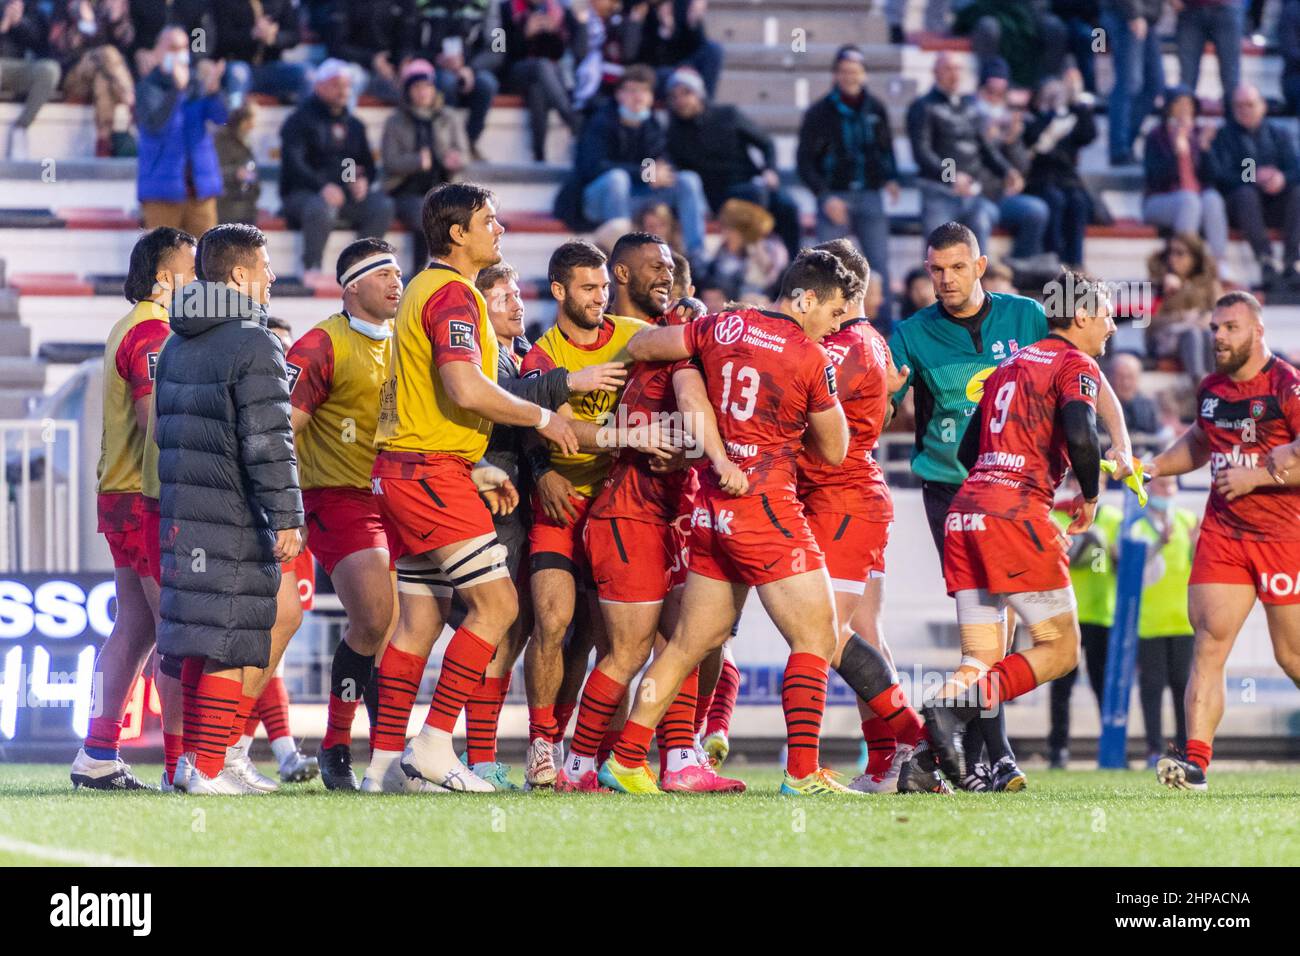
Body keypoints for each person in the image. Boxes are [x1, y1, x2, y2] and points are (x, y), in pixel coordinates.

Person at [598, 250, 859, 796]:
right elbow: (835, 450)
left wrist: (695, 371)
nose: (837, 325)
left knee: (691, 642)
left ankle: (625, 760)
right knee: (817, 634)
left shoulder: (721, 323)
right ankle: (803, 773)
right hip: (764, 504)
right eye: (834, 313)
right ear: (805, 299)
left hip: (711, 504)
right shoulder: (812, 358)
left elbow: (643, 344)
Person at [889, 223, 1135, 791]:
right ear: (1078, 318)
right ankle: (957, 725)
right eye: (1104, 313)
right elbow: (1079, 429)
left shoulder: (1008, 366)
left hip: (966, 508)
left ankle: (926, 762)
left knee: (980, 658)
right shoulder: (1071, 362)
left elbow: (971, 444)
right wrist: (1090, 494)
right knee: (1061, 648)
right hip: (1012, 512)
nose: (1112, 324)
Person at [359, 182, 579, 794]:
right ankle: (433, 747)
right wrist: (543, 417)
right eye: (489, 220)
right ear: (457, 233)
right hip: (426, 471)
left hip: (410, 467)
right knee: (500, 606)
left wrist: (472, 462)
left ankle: (381, 767)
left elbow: (420, 395)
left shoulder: (424, 290)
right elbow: (463, 386)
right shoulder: (453, 294)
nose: (499, 229)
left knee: (420, 620)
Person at [560, 233, 744, 793]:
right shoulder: (675, 353)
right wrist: (714, 454)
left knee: (688, 639)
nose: (666, 276)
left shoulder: (658, 342)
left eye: (672, 268)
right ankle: (578, 764)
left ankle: (679, 759)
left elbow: (677, 426)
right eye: (654, 266)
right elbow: (688, 408)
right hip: (629, 516)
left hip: (667, 516)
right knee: (628, 650)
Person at [153, 223, 305, 796]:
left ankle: (193, 765)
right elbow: (268, 440)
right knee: (231, 636)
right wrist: (288, 515)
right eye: (264, 267)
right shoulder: (254, 341)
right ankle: (210, 768)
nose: (271, 278)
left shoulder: (175, 340)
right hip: (233, 511)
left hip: (183, 507)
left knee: (199, 634)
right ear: (240, 276)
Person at [517, 238, 671, 787]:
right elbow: (546, 430)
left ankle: (602, 751)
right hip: (559, 507)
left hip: (618, 509)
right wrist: (547, 472)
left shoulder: (632, 338)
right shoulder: (543, 355)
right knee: (552, 623)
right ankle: (541, 742)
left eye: (605, 286)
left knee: (611, 642)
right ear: (559, 291)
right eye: (588, 288)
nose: (600, 297)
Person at [799, 239, 949, 794]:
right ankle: (894, 763)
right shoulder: (872, 343)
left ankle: (916, 743)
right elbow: (885, 407)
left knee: (827, 633)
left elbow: (805, 416)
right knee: (861, 632)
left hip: (840, 498)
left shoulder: (842, 345)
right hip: (857, 495)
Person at [1145, 291, 1300, 791]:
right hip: (1224, 532)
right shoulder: (1211, 387)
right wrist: (1154, 466)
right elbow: (1199, 440)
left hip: (1283, 534)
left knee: (1291, 655)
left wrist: (1256, 476)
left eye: (1230, 327)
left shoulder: (1287, 384)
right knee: (1209, 646)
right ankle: (1196, 764)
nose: (1219, 337)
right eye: (1214, 328)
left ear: (1258, 331)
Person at [69, 227, 195, 792]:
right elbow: (154, 421)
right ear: (166, 278)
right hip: (144, 496)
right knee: (175, 628)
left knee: (137, 626)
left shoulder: (131, 326)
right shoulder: (152, 332)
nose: (202, 281)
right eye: (194, 271)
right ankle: (180, 768)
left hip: (117, 493)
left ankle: (97, 752)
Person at [281, 239, 404, 790]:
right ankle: (336, 745)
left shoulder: (404, 342)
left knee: (392, 629)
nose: (397, 282)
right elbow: (281, 429)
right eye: (384, 274)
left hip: (396, 496)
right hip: (337, 496)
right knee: (375, 619)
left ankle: (378, 752)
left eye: (400, 272)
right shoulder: (319, 344)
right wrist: (285, 504)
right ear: (352, 286)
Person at [463, 261, 590, 789]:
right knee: (491, 629)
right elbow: (508, 416)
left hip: (515, 506)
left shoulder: (515, 358)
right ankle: (471, 757)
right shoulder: (477, 363)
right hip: (489, 504)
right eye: (503, 298)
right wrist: (567, 382)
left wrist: (540, 470)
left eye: (518, 296)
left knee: (512, 632)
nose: (518, 305)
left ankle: (487, 756)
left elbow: (530, 437)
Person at [908, 53, 1049, 262]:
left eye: (958, 69)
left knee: (983, 228)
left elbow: (986, 148)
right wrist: (952, 176)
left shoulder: (969, 106)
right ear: (936, 72)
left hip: (973, 193)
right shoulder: (923, 106)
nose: (954, 75)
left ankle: (995, 281)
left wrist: (1007, 171)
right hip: (939, 192)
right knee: (937, 250)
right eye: (948, 69)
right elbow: (922, 152)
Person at [797, 45, 900, 316]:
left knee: (879, 263)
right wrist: (824, 195)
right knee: (825, 264)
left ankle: (885, 326)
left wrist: (891, 178)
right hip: (834, 195)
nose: (850, 77)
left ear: (864, 75)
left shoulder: (876, 107)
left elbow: (886, 148)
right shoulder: (818, 112)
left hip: (870, 193)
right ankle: (823, 323)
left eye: (855, 72)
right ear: (835, 75)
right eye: (844, 71)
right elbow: (804, 162)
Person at [570, 64, 708, 262]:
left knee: (688, 180)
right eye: (632, 90)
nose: (638, 97)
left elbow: (658, 161)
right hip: (599, 198)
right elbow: (594, 167)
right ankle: (623, 255)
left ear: (651, 97)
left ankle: (697, 254)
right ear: (619, 95)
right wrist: (644, 172)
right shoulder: (601, 121)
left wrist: (658, 173)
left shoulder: (651, 125)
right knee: (617, 179)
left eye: (644, 91)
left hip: (637, 197)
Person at [666, 66, 800, 261]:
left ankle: (794, 268)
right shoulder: (673, 133)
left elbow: (766, 143)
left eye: (686, 93)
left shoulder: (728, 115)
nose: (681, 100)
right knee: (755, 195)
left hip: (750, 182)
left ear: (699, 94)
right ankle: (749, 265)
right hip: (716, 197)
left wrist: (770, 170)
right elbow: (669, 166)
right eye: (675, 96)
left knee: (788, 207)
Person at [279, 59, 395, 282]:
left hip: (347, 197)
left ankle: (363, 266)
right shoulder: (298, 121)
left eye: (346, 85)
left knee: (382, 205)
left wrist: (362, 181)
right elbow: (295, 165)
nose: (343, 91)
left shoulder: (354, 125)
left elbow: (367, 165)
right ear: (319, 87)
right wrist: (323, 186)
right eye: (336, 85)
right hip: (303, 194)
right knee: (321, 207)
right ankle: (311, 267)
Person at [1046, 479, 1121, 768]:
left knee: (1103, 685)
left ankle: (1111, 749)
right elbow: (1060, 561)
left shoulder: (1114, 518)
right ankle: (1058, 750)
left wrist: (1107, 547)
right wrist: (1084, 544)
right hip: (1066, 613)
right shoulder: (1057, 516)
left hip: (1103, 613)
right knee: (1062, 685)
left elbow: (1121, 562)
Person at [1129, 475, 1199, 767]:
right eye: (1161, 486)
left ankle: (1185, 749)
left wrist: (1198, 544)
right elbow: (1130, 566)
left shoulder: (1188, 520)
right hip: (1150, 623)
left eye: (1171, 486)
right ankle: (1153, 749)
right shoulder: (1138, 527)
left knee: (1184, 687)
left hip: (1183, 621)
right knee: (1151, 690)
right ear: (1149, 490)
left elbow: (1198, 564)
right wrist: (1160, 541)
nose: (1167, 491)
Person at [1207, 83, 1300, 289]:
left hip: (1275, 203)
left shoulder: (1279, 134)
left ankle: (1292, 260)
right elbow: (1219, 176)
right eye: (1239, 106)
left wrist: (1280, 178)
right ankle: (1266, 260)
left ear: (1262, 106)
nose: (1244, 110)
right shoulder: (1225, 136)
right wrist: (1252, 177)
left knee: (1297, 193)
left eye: (1249, 104)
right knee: (1246, 193)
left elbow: (1295, 168)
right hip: (1241, 208)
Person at [136, 26, 226, 237]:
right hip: (162, 192)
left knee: (206, 262)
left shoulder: (198, 85)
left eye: (184, 47)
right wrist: (177, 91)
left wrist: (214, 92)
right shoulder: (147, 87)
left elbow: (220, 118)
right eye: (173, 47)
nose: (180, 53)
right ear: (158, 51)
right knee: (163, 263)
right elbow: (156, 125)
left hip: (200, 190)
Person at [381, 59, 469, 274]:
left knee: (465, 217)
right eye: (417, 88)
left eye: (427, 87)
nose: (423, 93)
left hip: (444, 187)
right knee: (427, 215)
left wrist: (455, 159)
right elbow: (390, 162)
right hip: (406, 189)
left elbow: (464, 154)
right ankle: (420, 272)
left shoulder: (449, 117)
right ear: (408, 91)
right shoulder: (395, 121)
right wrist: (416, 162)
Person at [1141, 87, 1229, 268]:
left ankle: (1219, 263)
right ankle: (1182, 265)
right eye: (1178, 104)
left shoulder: (1199, 134)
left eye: (1188, 105)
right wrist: (1176, 152)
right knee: (1190, 201)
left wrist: (1205, 149)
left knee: (1212, 198)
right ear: (1169, 108)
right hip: (1159, 200)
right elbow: (1156, 178)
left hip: (1196, 197)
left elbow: (1214, 178)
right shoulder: (1157, 135)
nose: (1184, 109)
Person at [497, 0, 589, 163]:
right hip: (514, 74)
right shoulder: (506, 9)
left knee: (537, 88)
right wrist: (523, 34)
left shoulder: (559, 11)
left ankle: (539, 154)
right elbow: (500, 53)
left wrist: (554, 34)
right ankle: (571, 119)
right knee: (541, 66)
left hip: (548, 80)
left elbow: (572, 54)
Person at [1023, 73, 1097, 268]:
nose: (1054, 98)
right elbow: (1032, 140)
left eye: (1058, 94)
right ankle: (1055, 257)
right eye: (1049, 94)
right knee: (1055, 200)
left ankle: (1076, 261)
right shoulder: (1032, 119)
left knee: (1078, 201)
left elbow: (1088, 135)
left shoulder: (1069, 119)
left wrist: (1078, 102)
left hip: (1066, 179)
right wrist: (1050, 114)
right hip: (1039, 179)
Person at [50, 0, 136, 157]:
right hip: (73, 77)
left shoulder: (109, 4)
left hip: (106, 76)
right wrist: (83, 22)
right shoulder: (67, 4)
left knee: (102, 79)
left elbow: (126, 43)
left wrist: (117, 19)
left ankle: (103, 143)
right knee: (107, 53)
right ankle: (132, 103)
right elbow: (58, 45)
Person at [1145, 232, 1221, 379]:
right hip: (1165, 338)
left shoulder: (1209, 283)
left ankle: (1215, 385)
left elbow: (1220, 313)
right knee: (1191, 333)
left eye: (1180, 253)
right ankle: (1199, 385)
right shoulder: (1159, 281)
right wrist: (1184, 317)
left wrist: (1205, 318)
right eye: (1170, 253)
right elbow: (1148, 323)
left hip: (1201, 335)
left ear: (1194, 258)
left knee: (1207, 334)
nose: (1173, 258)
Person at [1101, 0, 1165, 166]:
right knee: (1129, 83)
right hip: (1125, 13)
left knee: (1154, 84)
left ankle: (1126, 143)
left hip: (1147, 16)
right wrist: (1133, 13)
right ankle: (1119, 149)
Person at [217, 0, 311, 107]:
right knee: (238, 74)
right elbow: (221, 38)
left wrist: (274, 38)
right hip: (237, 65)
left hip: (270, 68)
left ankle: (307, 121)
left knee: (306, 74)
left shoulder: (280, 2)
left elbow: (294, 35)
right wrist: (252, 34)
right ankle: (235, 119)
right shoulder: (226, 2)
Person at [0, 0, 61, 159]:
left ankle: (21, 128)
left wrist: (19, 23)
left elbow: (42, 46)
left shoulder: (32, 8)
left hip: (20, 68)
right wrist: (4, 25)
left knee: (49, 70)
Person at [697, 198, 788, 304]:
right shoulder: (719, 250)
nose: (725, 234)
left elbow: (771, 279)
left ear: (744, 234)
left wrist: (757, 250)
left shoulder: (770, 250)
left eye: (730, 230)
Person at [636, 0, 723, 98]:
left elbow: (697, 45)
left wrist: (693, 22)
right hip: (655, 67)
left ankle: (705, 104)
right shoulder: (645, 9)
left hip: (685, 62)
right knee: (665, 73)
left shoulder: (683, 5)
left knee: (714, 49)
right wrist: (664, 32)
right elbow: (642, 53)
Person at [1175, 0, 1242, 113]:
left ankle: (1235, 128)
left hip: (1226, 7)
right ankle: (1183, 127)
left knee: (1230, 78)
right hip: (1189, 9)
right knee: (1187, 79)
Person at [214, 101, 262, 225]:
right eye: (251, 120)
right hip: (226, 205)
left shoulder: (246, 141)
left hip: (247, 205)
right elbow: (215, 171)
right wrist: (235, 173)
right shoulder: (222, 141)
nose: (253, 125)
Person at [1108, 351, 1164, 437]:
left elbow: (1157, 436)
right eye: (1120, 377)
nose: (1125, 383)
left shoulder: (1148, 406)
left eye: (1130, 377)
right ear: (1110, 377)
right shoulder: (1100, 407)